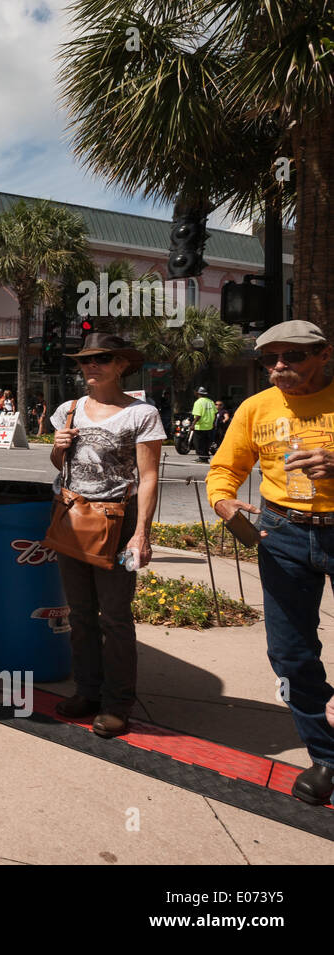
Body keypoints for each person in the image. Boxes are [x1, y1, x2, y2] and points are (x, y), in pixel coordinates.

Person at [207, 320, 334, 805]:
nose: (279, 367)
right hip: (283, 532)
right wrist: (223, 502)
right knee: (290, 654)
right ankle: (326, 757)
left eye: (292, 357)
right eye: (269, 360)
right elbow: (225, 468)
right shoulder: (255, 408)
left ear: (323, 354)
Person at [50, 334, 165, 739]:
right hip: (73, 515)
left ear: (121, 365)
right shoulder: (68, 410)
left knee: (114, 617)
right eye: (84, 360)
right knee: (79, 614)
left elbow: (149, 477)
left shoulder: (141, 414)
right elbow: (58, 462)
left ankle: (118, 704)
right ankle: (88, 691)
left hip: (117, 519)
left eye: (100, 359)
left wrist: (142, 534)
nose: (91, 366)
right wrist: (58, 446)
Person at [191, 385, 216, 462]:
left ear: (197, 393)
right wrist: (213, 423)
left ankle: (202, 458)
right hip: (209, 426)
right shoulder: (210, 401)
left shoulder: (198, 402)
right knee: (206, 443)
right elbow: (215, 413)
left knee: (198, 443)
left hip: (200, 426)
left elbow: (198, 415)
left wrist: (193, 424)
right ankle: (205, 457)